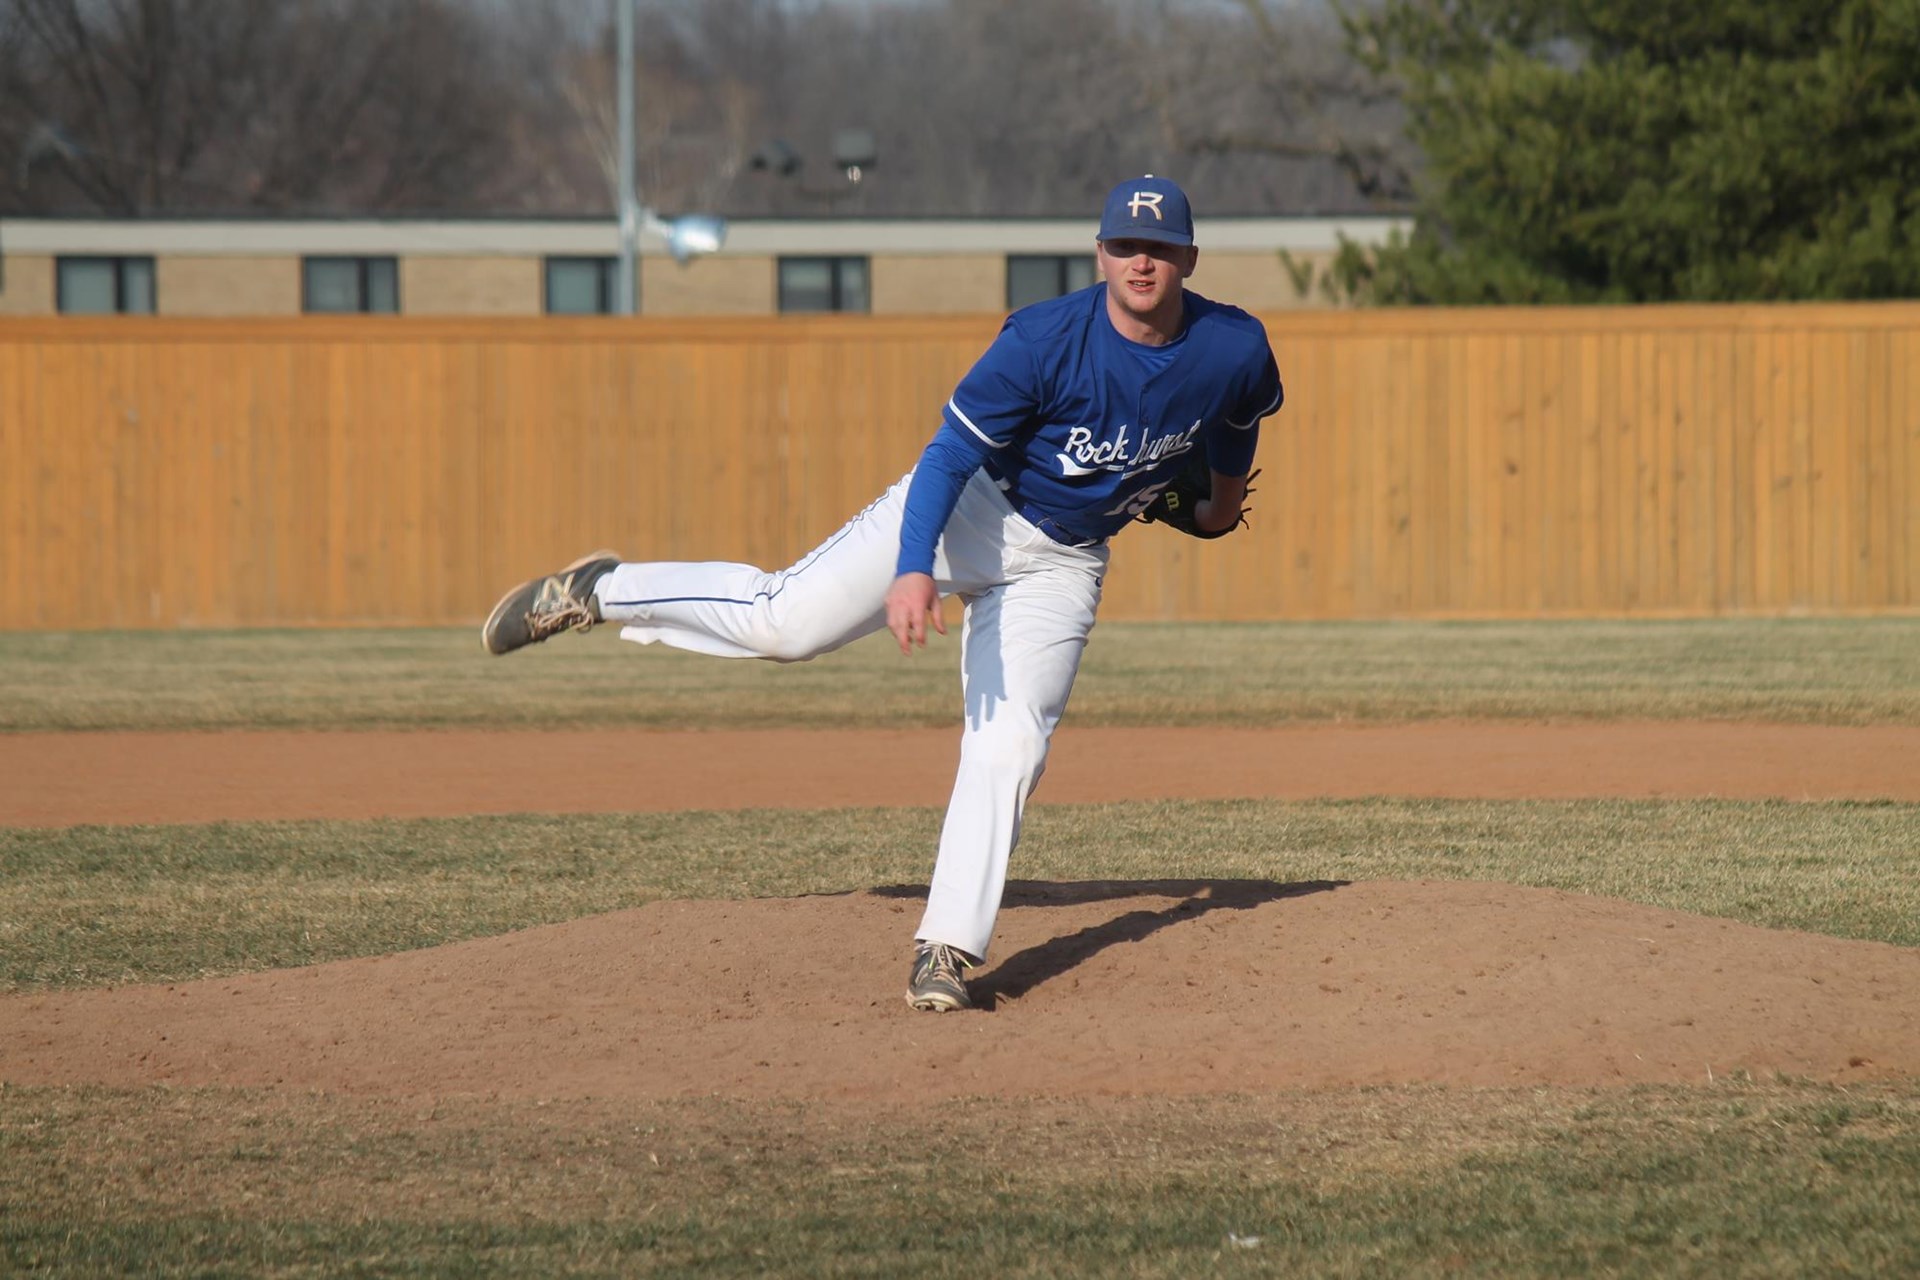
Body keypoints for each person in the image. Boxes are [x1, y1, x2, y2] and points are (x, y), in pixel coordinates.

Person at [482, 175, 1284, 1012]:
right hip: (967, 510)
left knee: (1009, 746)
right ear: (1100, 252)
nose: (1140, 261)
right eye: (1125, 244)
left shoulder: (1234, 347)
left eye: (1158, 248)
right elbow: (945, 457)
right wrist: (912, 568)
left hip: (1062, 562)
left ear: (1190, 257)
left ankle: (946, 946)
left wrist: (1219, 511)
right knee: (783, 625)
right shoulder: (1043, 340)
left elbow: (1237, 422)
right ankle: (602, 590)